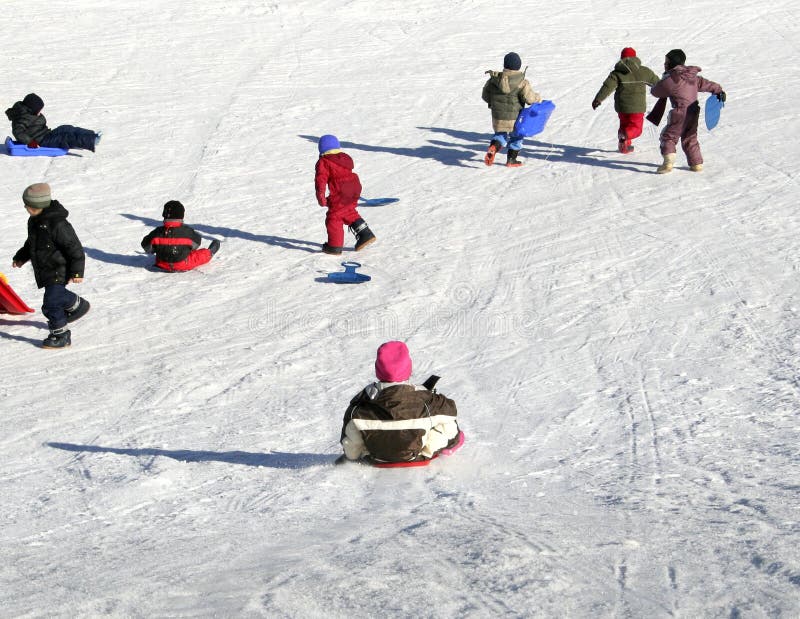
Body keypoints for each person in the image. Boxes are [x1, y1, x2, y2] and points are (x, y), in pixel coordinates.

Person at [340, 341, 460, 464]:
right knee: (449, 423)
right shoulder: (425, 400)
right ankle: (430, 450)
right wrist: (432, 396)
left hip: (376, 458)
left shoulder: (361, 404)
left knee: (354, 427)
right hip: (414, 456)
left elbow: (350, 447)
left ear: (378, 369)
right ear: (408, 367)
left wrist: (353, 455)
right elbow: (451, 411)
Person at [12, 183, 90, 349]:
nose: (27, 208)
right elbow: (31, 244)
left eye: (30, 206)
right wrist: (21, 257)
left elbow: (73, 247)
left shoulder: (58, 224)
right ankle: (77, 305)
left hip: (59, 268)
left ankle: (61, 335)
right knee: (57, 295)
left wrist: (77, 272)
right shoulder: (34, 221)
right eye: (26, 205)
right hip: (46, 268)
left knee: (51, 303)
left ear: (39, 205)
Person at [650, 49, 725, 174]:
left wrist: (660, 81)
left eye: (666, 62)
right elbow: (708, 84)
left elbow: (655, 92)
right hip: (693, 111)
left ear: (672, 63)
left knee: (668, 136)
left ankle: (668, 163)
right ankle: (696, 164)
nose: (664, 64)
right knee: (690, 137)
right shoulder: (693, 77)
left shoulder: (671, 80)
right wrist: (719, 90)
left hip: (680, 112)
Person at [314, 134, 376, 255]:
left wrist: (321, 196)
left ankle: (334, 246)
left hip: (341, 190)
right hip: (354, 187)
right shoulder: (344, 157)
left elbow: (320, 180)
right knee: (348, 211)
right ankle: (365, 233)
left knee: (334, 217)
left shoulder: (324, 161)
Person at [591, 47, 659, 154]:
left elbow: (607, 87)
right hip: (637, 108)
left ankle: (624, 147)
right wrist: (667, 90)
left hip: (622, 107)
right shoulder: (644, 71)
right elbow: (657, 83)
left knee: (624, 125)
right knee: (636, 129)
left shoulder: (616, 73)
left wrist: (598, 99)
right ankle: (625, 135)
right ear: (635, 57)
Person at [481, 52, 542, 167]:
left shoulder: (494, 80)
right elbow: (530, 98)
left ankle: (494, 146)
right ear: (519, 66)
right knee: (516, 137)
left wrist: (492, 102)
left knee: (500, 134)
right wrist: (538, 98)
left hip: (498, 117)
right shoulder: (522, 82)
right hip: (516, 118)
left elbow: (485, 95)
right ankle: (511, 160)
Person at [140, 200, 220, 271]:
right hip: (184, 264)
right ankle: (209, 252)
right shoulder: (187, 232)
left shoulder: (157, 232)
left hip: (162, 264)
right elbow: (197, 243)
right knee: (198, 256)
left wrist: (157, 249)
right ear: (181, 216)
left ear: (164, 215)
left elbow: (146, 246)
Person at [5, 93, 101, 152]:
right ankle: (91, 141)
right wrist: (31, 142)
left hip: (46, 134)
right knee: (65, 137)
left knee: (65, 128)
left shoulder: (27, 113)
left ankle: (92, 135)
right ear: (32, 109)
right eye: (39, 110)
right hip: (41, 142)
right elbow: (18, 132)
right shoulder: (22, 118)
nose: (40, 113)